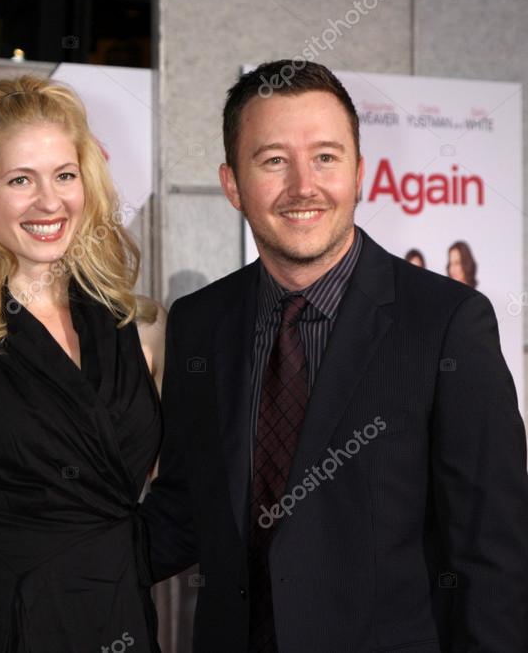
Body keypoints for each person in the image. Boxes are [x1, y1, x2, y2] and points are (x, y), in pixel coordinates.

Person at [141, 60, 528, 652]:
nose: (304, 186)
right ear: (232, 184)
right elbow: (187, 508)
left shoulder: (447, 324)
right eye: (274, 161)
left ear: (360, 173)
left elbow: (491, 549)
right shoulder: (199, 323)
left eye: (326, 157)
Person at [0, 75, 165, 651]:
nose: (49, 202)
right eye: (20, 180)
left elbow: (173, 497)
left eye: (64, 175)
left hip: (120, 619)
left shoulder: (138, 328)